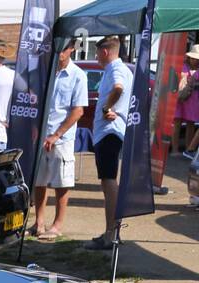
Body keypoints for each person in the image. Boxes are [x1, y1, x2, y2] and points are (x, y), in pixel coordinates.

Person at [31, 40, 89, 239]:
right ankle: (38, 221)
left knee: (62, 182)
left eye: (64, 49)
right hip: (42, 136)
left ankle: (57, 224)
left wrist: (57, 135)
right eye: (58, 49)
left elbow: (78, 110)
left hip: (62, 138)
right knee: (40, 181)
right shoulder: (47, 73)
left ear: (72, 48)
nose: (60, 53)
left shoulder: (77, 76)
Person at [83, 36, 133, 251]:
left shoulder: (115, 69)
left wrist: (106, 108)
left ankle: (111, 234)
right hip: (109, 132)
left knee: (109, 181)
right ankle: (110, 232)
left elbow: (118, 88)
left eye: (96, 53)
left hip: (110, 132)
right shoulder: (117, 68)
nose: (95, 57)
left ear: (105, 52)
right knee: (107, 181)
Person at [174, 44, 199, 155]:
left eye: (197, 59)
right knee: (177, 122)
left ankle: (188, 149)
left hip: (194, 98)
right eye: (193, 58)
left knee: (191, 123)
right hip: (182, 97)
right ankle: (175, 150)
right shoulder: (183, 67)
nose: (195, 61)